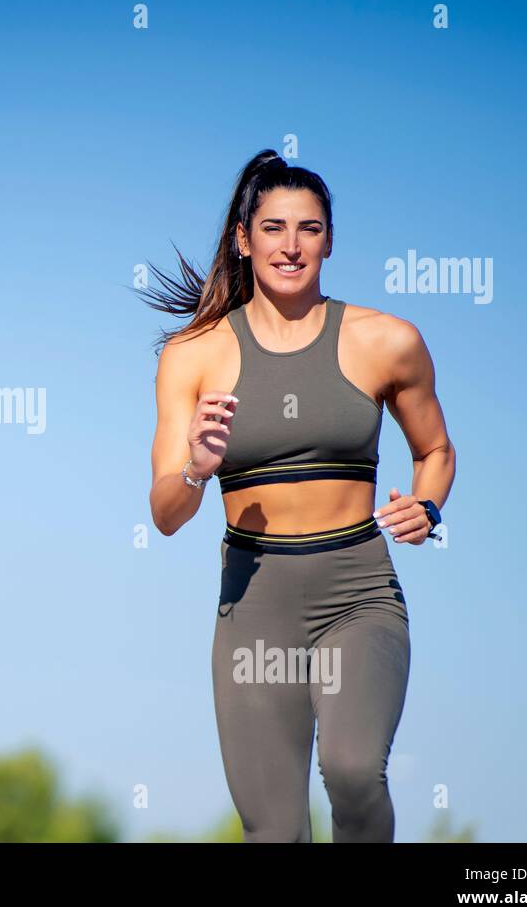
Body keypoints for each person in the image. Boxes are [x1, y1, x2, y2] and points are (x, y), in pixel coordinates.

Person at [143, 149, 456, 842]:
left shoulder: (388, 341)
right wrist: (196, 467)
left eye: (309, 229)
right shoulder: (193, 355)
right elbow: (164, 513)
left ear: (330, 239)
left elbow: (435, 451)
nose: (291, 246)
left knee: (352, 771)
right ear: (243, 238)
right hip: (254, 602)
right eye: (275, 228)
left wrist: (428, 506)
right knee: (275, 830)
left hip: (359, 592)